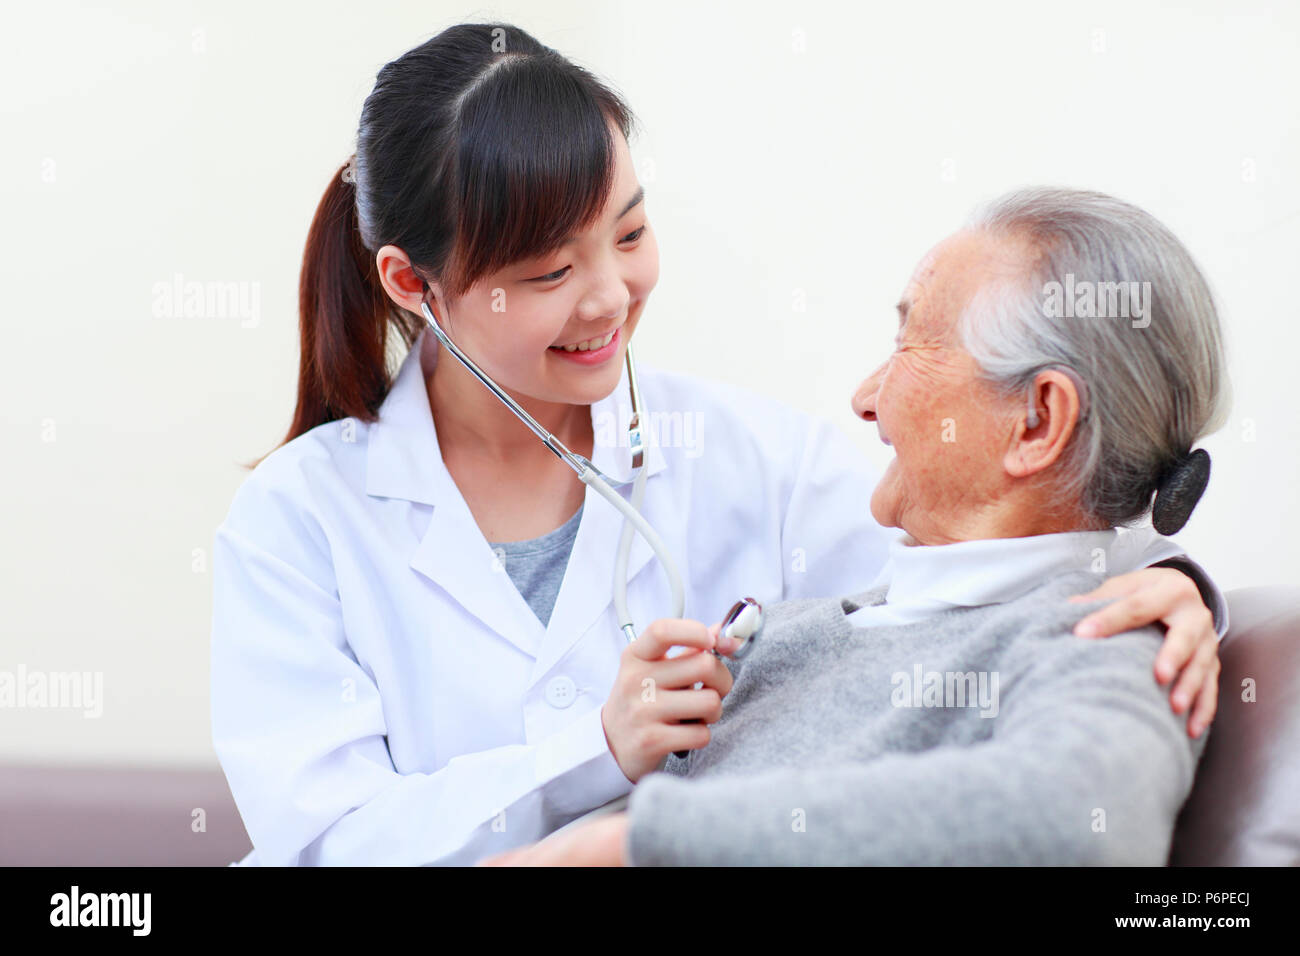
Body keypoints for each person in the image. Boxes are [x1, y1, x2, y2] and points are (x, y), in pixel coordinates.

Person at [211, 24, 1223, 867]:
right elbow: (322, 840)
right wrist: (593, 752)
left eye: (630, 233)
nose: (609, 296)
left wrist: (1166, 581)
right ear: (410, 282)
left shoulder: (746, 459)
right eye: (549, 268)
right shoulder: (302, 518)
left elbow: (1001, 538)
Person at [483, 186, 1231, 866]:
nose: (865, 397)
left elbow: (1077, 822)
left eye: (912, 345)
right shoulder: (796, 632)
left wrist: (627, 847)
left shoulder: (1102, 642)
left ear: (1037, 421)